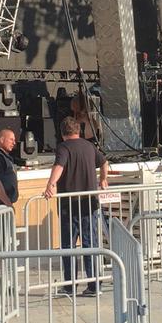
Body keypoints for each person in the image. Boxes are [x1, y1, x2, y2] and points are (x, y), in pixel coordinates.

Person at [43, 115, 109, 296]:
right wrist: (103, 180)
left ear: (63, 132)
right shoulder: (89, 146)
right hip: (90, 203)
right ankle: (94, 285)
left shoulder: (63, 148)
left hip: (69, 205)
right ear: (78, 131)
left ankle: (70, 285)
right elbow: (104, 162)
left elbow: (59, 166)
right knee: (91, 244)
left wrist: (51, 184)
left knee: (69, 246)